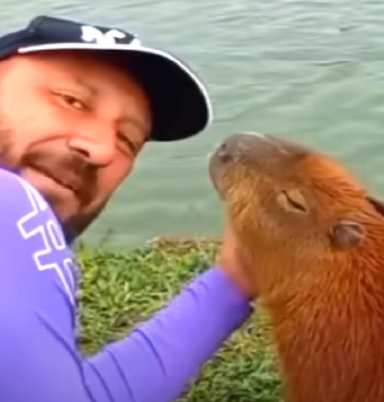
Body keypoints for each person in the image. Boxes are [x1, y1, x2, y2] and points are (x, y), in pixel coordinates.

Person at [0, 15, 256, 402]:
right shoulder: (12, 203)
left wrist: (235, 279)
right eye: (71, 100)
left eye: (127, 140)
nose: (102, 150)